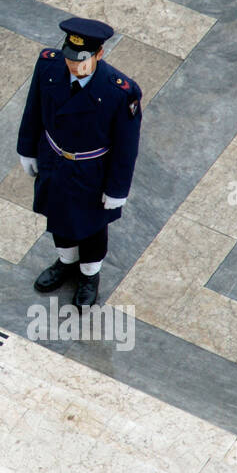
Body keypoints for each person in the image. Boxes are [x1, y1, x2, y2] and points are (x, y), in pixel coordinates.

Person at [16, 17, 142, 307]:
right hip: (54, 159)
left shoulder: (120, 92)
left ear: (99, 54)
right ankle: (66, 261)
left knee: (91, 226)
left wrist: (116, 190)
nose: (73, 66)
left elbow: (126, 147)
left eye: (81, 60)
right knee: (57, 214)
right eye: (70, 58)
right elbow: (33, 109)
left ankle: (89, 275)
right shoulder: (49, 65)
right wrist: (27, 149)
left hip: (91, 171)